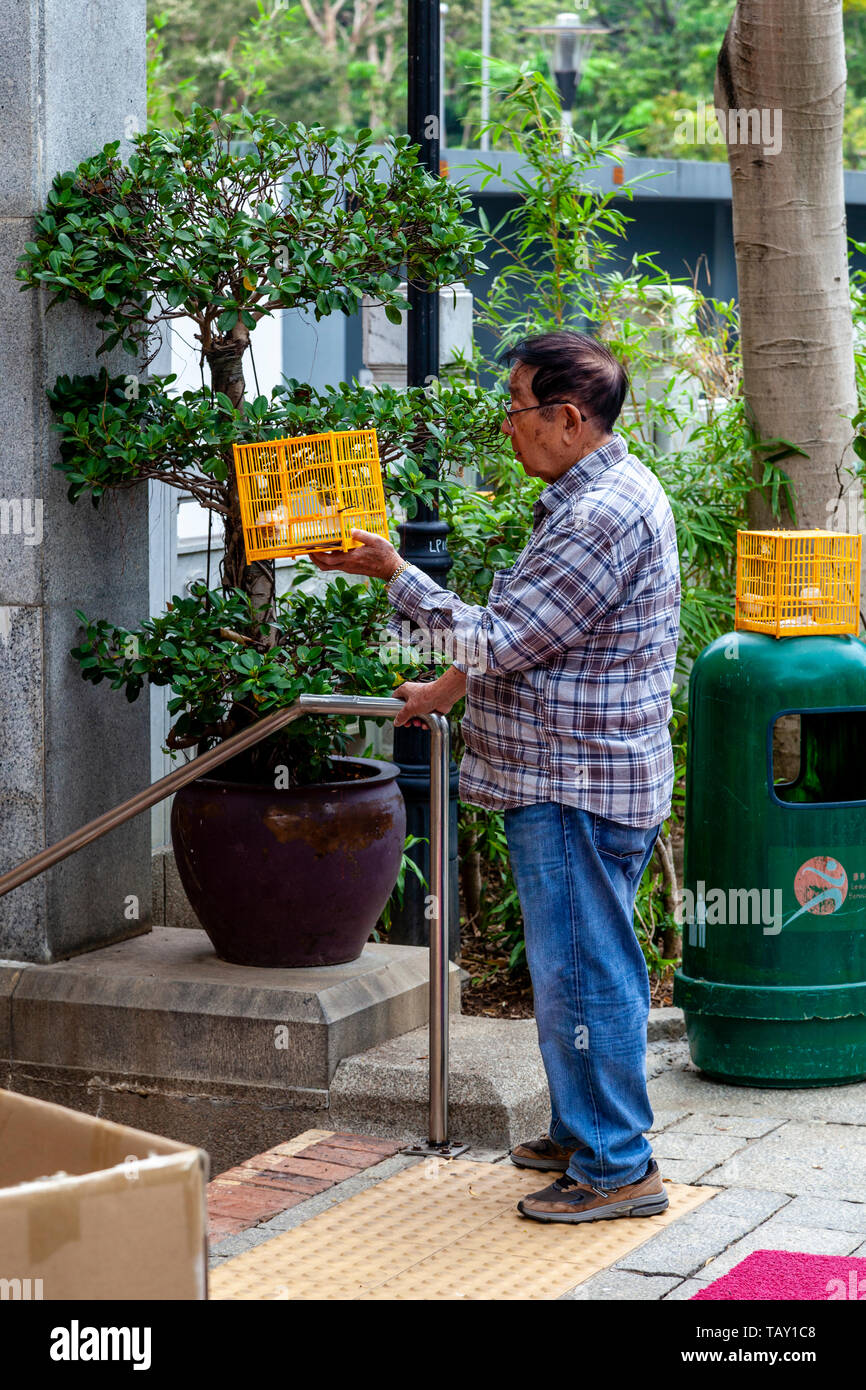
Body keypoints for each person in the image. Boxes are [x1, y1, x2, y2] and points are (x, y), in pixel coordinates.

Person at [310, 330, 681, 1224]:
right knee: (583, 966)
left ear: (566, 415)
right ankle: (583, 1128)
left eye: (515, 407)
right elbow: (537, 635)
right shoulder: (590, 492)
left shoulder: (598, 515)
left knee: (585, 976)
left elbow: (501, 639)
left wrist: (395, 572)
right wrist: (443, 688)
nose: (506, 426)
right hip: (588, 774)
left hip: (574, 785)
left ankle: (618, 1166)